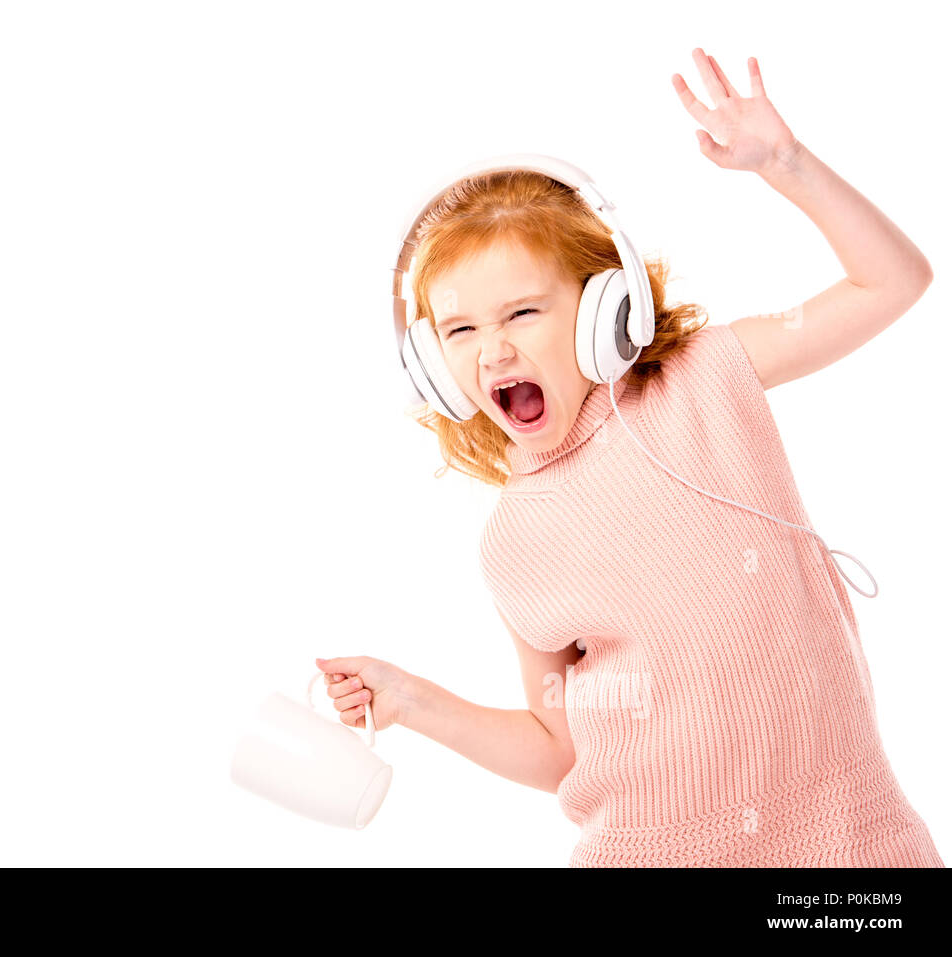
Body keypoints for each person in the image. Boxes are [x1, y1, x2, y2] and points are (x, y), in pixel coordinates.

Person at [317, 48, 944, 867]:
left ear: (605, 310)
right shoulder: (513, 541)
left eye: (523, 311)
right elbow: (558, 747)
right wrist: (408, 698)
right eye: (461, 332)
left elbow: (892, 283)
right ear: (435, 368)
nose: (494, 349)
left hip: (849, 843)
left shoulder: (708, 377)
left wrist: (787, 164)